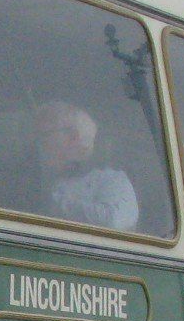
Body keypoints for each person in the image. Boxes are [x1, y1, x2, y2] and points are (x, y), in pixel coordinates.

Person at [33, 98, 138, 231]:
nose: (38, 142)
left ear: (73, 136)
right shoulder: (30, 177)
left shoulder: (112, 180)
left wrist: (57, 204)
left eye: (45, 134)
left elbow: (113, 220)